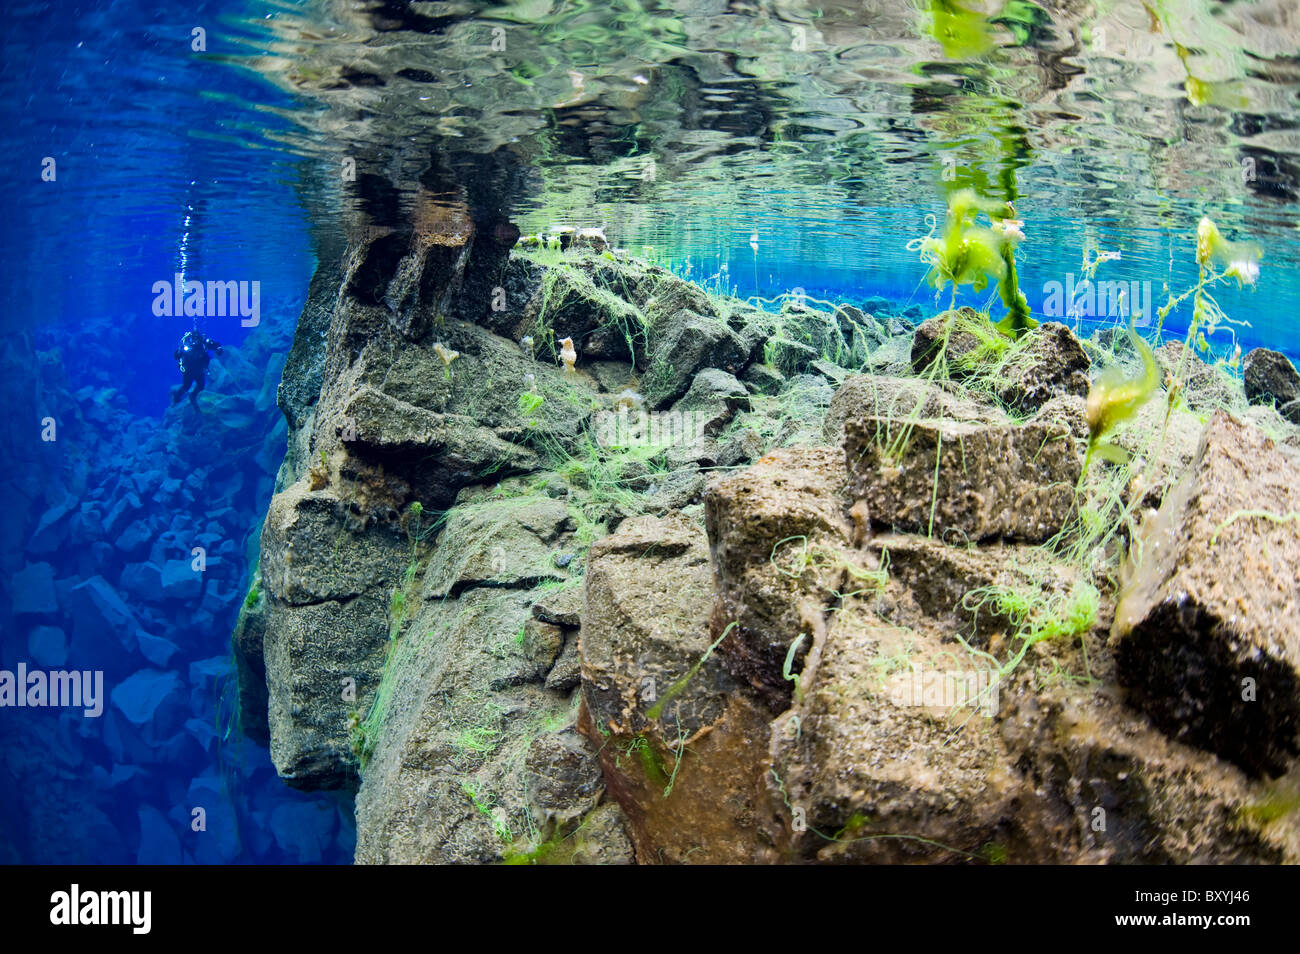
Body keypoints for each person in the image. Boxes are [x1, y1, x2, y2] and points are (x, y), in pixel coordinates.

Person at [171, 324, 223, 406]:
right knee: (186, 387)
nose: (195, 342)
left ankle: (192, 396)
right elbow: (176, 355)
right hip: (188, 371)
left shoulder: (203, 343)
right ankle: (176, 397)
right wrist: (178, 353)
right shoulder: (186, 345)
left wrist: (218, 349)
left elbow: (215, 344)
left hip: (199, 370)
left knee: (201, 387)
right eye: (193, 340)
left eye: (197, 340)